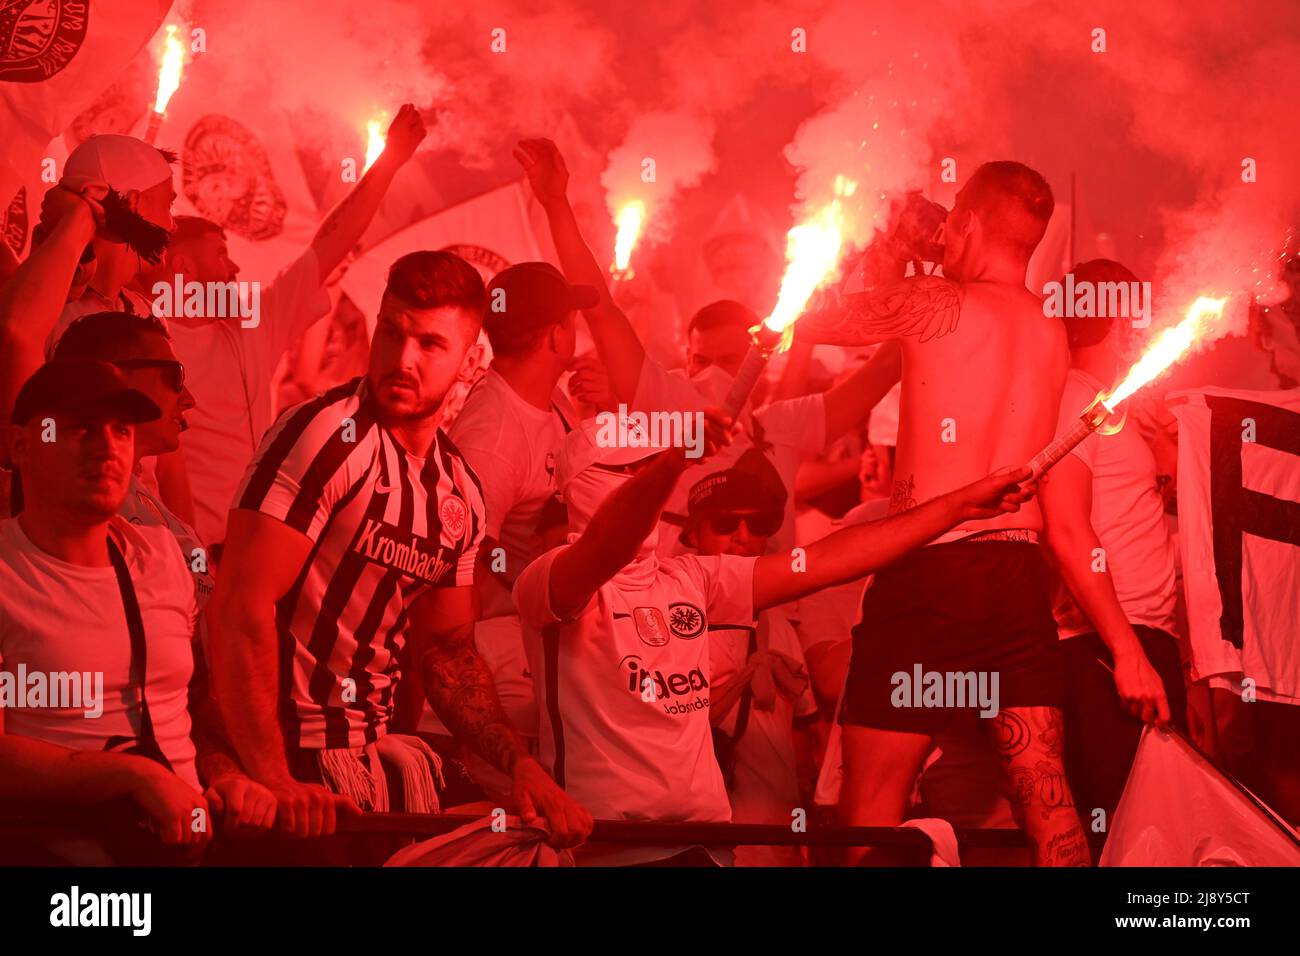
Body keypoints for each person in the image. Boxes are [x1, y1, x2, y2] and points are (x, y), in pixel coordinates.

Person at [512, 403, 1037, 865]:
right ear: (579, 484)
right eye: (629, 469)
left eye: (650, 465)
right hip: (610, 850)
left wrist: (958, 507)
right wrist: (673, 463)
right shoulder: (550, 579)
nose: (647, 479)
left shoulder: (693, 577)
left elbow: (827, 561)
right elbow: (607, 543)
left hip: (708, 848)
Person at [206, 250, 591, 848]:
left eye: (431, 345)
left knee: (532, 847)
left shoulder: (459, 486)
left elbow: (447, 651)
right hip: (284, 756)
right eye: (392, 333)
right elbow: (238, 607)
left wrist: (521, 767)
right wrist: (271, 775)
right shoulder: (324, 435)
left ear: (470, 361)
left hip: (375, 756)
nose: (403, 360)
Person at [798, 161, 1089, 866]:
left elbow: (810, 319)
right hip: (1019, 573)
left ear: (967, 222)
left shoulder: (935, 302)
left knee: (873, 797)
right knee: (1045, 794)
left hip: (934, 567)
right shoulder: (1049, 331)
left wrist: (899, 245)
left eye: (954, 215)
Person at [515, 138, 902, 556]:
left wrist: (914, 273)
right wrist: (556, 204)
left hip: (763, 613)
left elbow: (885, 367)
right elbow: (601, 309)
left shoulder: (783, 426)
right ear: (687, 359)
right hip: (672, 611)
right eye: (702, 361)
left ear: (761, 358)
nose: (713, 374)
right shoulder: (663, 407)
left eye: (731, 361)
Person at [0, 360, 273, 863]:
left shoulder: (162, 556)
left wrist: (228, 777)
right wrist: (134, 774)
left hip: (186, 842)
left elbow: (193, 701)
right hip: (58, 850)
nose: (107, 446)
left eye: (121, 430)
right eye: (81, 428)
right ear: (21, 446)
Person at [141, 105, 432, 551]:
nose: (234, 267)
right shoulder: (144, 337)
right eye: (220, 254)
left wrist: (389, 163)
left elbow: (327, 245)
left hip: (250, 547)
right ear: (181, 265)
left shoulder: (253, 324)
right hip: (177, 551)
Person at [407, 262, 598, 800]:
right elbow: (456, 559)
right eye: (573, 318)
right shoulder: (491, 433)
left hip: (529, 659)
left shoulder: (550, 399)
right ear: (559, 333)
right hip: (490, 678)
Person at [1039, 259, 1186, 857]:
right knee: (1123, 841)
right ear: (1124, 323)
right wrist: (1126, 654)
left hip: (1144, 640)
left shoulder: (1114, 405)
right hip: (1103, 647)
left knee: (1161, 839)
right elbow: (1067, 531)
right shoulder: (1072, 399)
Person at [683, 468, 820, 867]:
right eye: (726, 523)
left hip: (774, 836)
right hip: (696, 834)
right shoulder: (666, 616)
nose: (743, 535)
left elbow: (803, 727)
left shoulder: (778, 619)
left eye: (756, 524)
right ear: (693, 533)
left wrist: (807, 810)